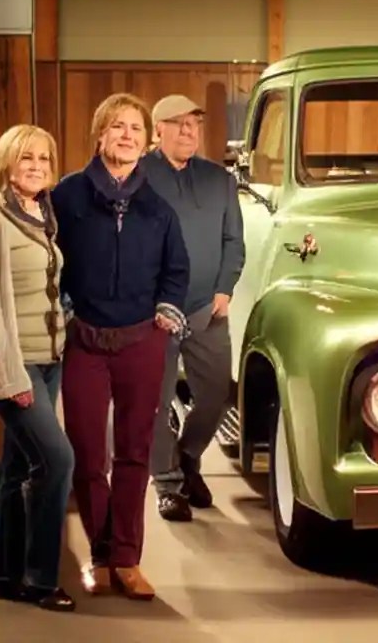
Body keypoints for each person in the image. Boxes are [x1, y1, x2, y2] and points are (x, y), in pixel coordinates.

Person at [54, 93, 190, 598]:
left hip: (141, 343)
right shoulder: (66, 196)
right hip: (84, 342)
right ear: (100, 136)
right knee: (89, 455)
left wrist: (163, 317)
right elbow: (40, 244)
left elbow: (176, 271)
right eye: (117, 127)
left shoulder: (158, 208)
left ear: (147, 139)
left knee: (134, 453)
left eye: (136, 127)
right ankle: (101, 554)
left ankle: (127, 560)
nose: (127, 135)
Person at [0, 124, 75, 612]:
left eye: (45, 159)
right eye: (26, 158)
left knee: (15, 467)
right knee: (57, 461)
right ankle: (40, 578)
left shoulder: (41, 209)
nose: (36, 167)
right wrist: (9, 378)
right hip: (13, 363)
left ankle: (5, 575)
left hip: (48, 358)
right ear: (6, 161)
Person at [141, 94, 246, 523]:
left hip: (208, 310)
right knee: (155, 403)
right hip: (155, 315)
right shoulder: (138, 176)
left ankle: (187, 457)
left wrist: (225, 288)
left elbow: (233, 241)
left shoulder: (218, 179)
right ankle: (167, 484)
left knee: (216, 397)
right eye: (178, 123)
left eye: (194, 124)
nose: (188, 131)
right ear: (157, 130)